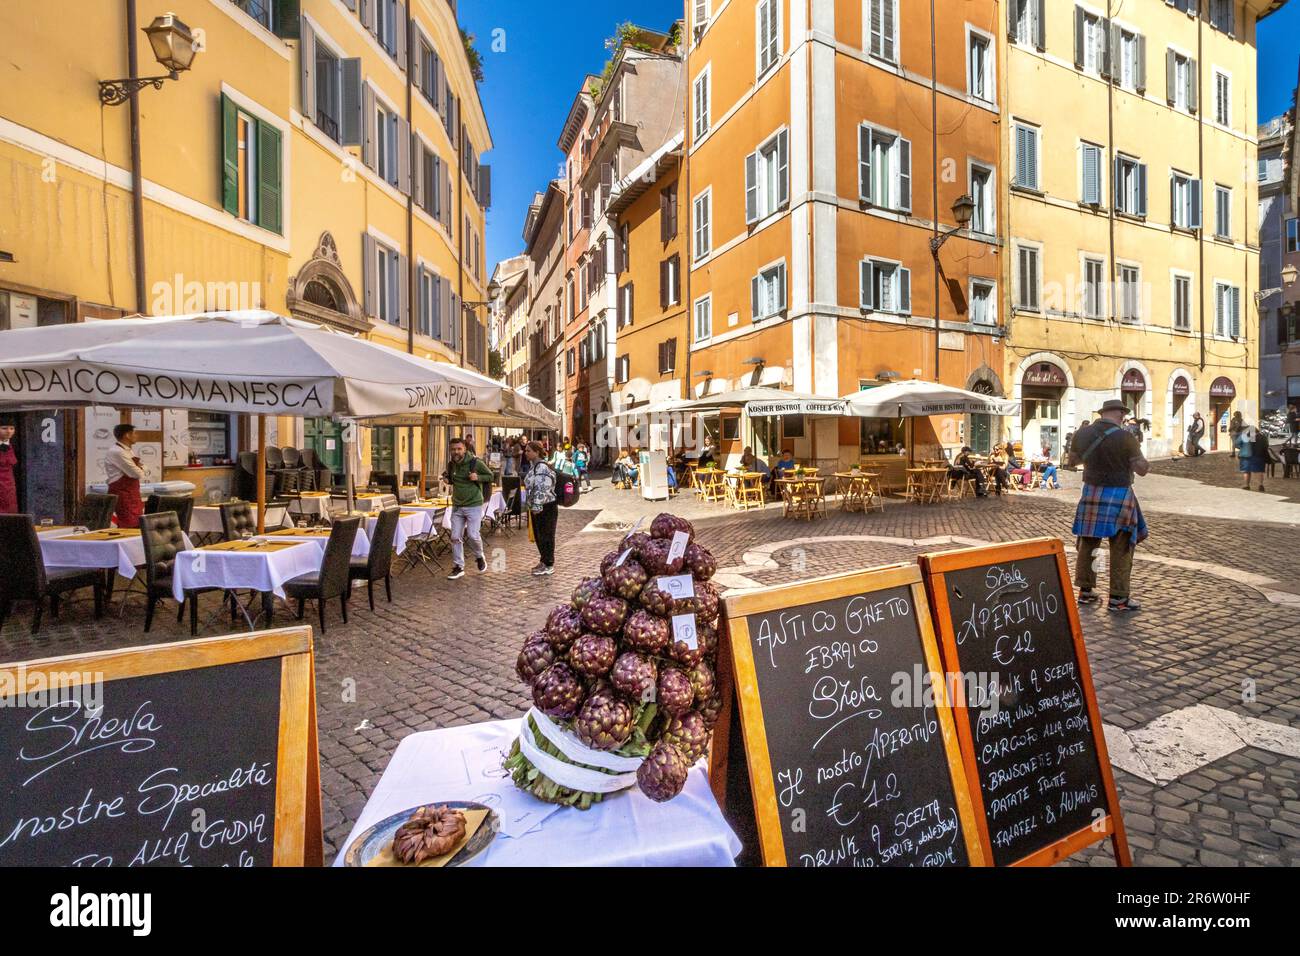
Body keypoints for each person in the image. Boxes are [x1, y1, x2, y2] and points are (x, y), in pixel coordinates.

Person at [1070, 398, 1149, 614]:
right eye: (1122, 414)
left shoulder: (1083, 433)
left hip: (1092, 491)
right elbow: (1141, 469)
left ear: (1102, 413)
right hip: (1119, 493)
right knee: (1122, 546)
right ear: (1119, 414)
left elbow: (1071, 461)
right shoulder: (1126, 437)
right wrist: (1138, 461)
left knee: (1089, 544)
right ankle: (1118, 599)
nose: (1123, 417)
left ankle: (1085, 591)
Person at [442, 436, 490, 580]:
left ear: (465, 449)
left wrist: (478, 477)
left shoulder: (475, 463)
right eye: (453, 449)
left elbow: (490, 475)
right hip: (457, 506)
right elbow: (451, 478)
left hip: (474, 504)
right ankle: (458, 566)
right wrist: (447, 479)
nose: (456, 452)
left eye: (459, 449)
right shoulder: (451, 465)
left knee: (473, 535)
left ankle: (479, 556)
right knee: (455, 536)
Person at [522, 440, 558, 576]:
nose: (526, 453)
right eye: (526, 451)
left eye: (528, 451)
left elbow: (542, 487)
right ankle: (543, 561)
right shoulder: (534, 466)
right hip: (538, 506)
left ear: (537, 452)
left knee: (546, 535)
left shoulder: (541, 467)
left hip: (545, 506)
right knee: (539, 536)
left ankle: (549, 564)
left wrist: (537, 505)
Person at [105, 423, 147, 528]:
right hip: (123, 495)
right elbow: (137, 473)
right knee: (127, 524)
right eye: (135, 433)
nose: (137, 436)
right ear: (127, 435)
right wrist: (141, 468)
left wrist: (141, 468)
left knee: (137, 524)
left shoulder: (128, 450)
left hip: (132, 494)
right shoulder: (117, 452)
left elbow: (142, 467)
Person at [1234, 419, 1268, 492]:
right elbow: (1265, 446)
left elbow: (1236, 444)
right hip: (1257, 455)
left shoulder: (1244, 436)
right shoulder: (1260, 436)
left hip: (1245, 456)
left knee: (1246, 471)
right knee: (1259, 471)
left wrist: (1241, 447)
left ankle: (1247, 485)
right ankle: (1260, 484)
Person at [0, 419, 17, 514]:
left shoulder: (13, 444)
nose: (9, 431)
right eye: (4, 428)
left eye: (12, 428)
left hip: (9, 488)